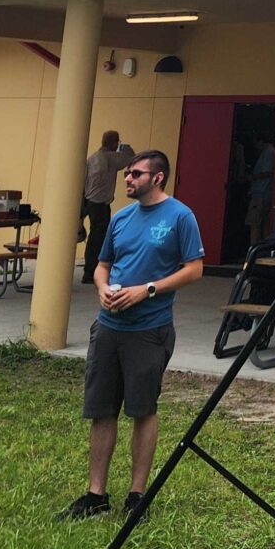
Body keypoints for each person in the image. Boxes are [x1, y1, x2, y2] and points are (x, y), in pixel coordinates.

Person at [58, 150, 205, 521]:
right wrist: (102, 287)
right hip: (108, 328)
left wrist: (148, 289)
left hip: (149, 329)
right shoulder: (120, 218)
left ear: (157, 178)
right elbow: (102, 265)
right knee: (101, 409)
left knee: (143, 409)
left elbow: (194, 269)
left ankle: (136, 495)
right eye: (127, 173)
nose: (127, 179)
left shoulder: (180, 217)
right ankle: (96, 495)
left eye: (135, 174)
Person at [82, 130, 136, 284]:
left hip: (90, 201)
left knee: (94, 236)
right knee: (99, 238)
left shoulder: (92, 158)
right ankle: (92, 271)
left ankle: (90, 269)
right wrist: (125, 147)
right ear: (113, 143)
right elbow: (130, 158)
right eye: (116, 142)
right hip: (101, 204)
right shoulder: (111, 158)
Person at [244, 134, 275, 247]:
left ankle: (253, 251)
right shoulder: (269, 152)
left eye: (255, 143)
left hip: (260, 194)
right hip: (262, 193)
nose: (255, 146)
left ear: (261, 141)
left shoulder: (268, 153)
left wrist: (252, 177)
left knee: (255, 223)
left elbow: (268, 172)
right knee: (262, 225)